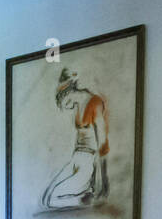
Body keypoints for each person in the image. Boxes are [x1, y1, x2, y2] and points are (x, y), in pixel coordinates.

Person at [41, 68, 110, 209]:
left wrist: (103, 180)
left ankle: (82, 200)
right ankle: (82, 198)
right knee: (46, 198)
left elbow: (102, 142)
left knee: (52, 200)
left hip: (87, 161)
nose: (65, 106)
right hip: (75, 160)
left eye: (63, 100)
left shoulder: (95, 102)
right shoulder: (79, 105)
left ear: (69, 92)